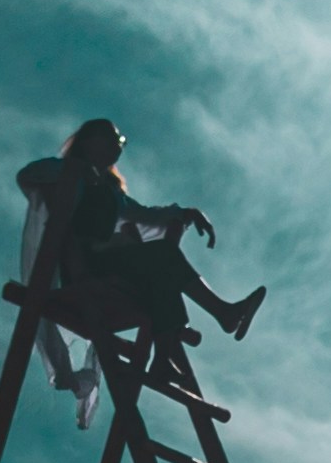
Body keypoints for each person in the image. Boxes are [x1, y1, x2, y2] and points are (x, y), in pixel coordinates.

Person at [17, 120, 266, 359]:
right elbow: (27, 175)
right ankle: (217, 315)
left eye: (121, 140)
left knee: (161, 271)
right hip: (82, 265)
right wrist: (74, 169)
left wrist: (185, 213)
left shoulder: (112, 192)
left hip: (106, 264)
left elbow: (146, 216)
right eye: (113, 137)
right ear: (89, 141)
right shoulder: (64, 171)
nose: (118, 144)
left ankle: (166, 355)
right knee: (163, 256)